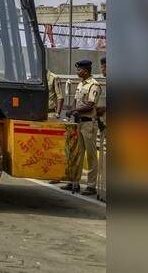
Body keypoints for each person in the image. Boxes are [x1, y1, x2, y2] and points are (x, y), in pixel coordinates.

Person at [60, 60, 102, 195]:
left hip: (88, 124)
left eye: (79, 70)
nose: (77, 72)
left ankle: (91, 186)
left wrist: (75, 111)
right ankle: (74, 182)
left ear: (85, 71)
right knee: (77, 153)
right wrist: (71, 109)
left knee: (91, 156)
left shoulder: (93, 85)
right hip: (79, 122)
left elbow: (90, 105)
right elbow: (75, 101)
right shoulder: (80, 84)